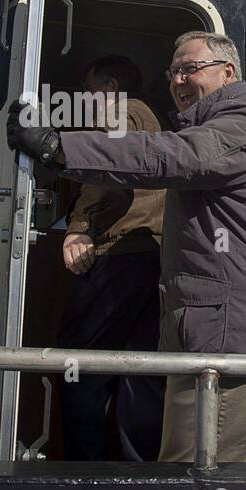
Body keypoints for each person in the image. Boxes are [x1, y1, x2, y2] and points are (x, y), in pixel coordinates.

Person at [8, 31, 246, 463]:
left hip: (229, 337)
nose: (179, 80)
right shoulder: (224, 124)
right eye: (174, 72)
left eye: (191, 68)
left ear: (228, 72)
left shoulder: (243, 122)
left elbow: (165, 157)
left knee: (197, 467)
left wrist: (58, 147)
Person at [56, 55, 166, 461]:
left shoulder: (118, 112)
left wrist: (80, 226)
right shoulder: (156, 117)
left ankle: (80, 471)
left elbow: (105, 174)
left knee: (81, 366)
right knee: (141, 373)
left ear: (112, 85)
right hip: (152, 256)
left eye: (91, 91)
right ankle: (138, 471)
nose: (88, 100)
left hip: (117, 256)